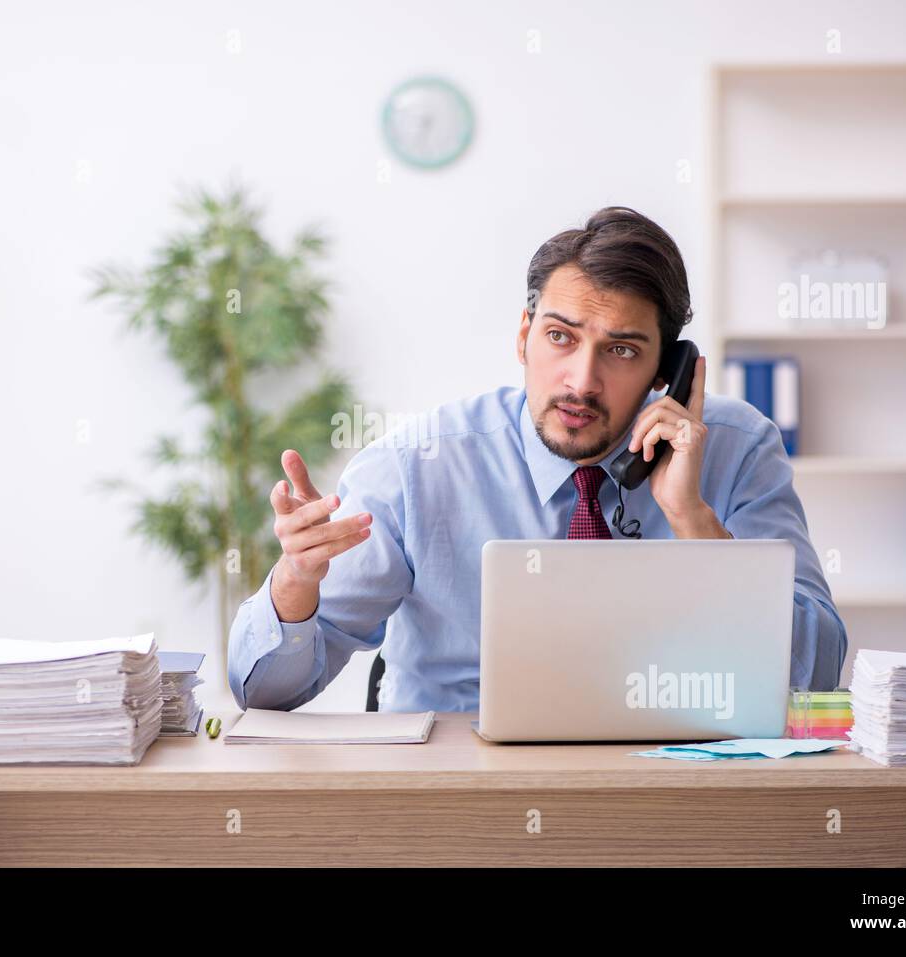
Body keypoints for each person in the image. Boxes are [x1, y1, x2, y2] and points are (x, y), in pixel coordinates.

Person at [228, 206, 847, 713]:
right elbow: (264, 691)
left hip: (664, 780)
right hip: (461, 796)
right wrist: (296, 582)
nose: (582, 380)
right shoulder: (417, 467)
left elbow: (815, 671)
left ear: (669, 372)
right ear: (524, 335)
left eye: (622, 350)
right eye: (561, 337)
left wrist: (693, 521)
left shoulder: (737, 449)